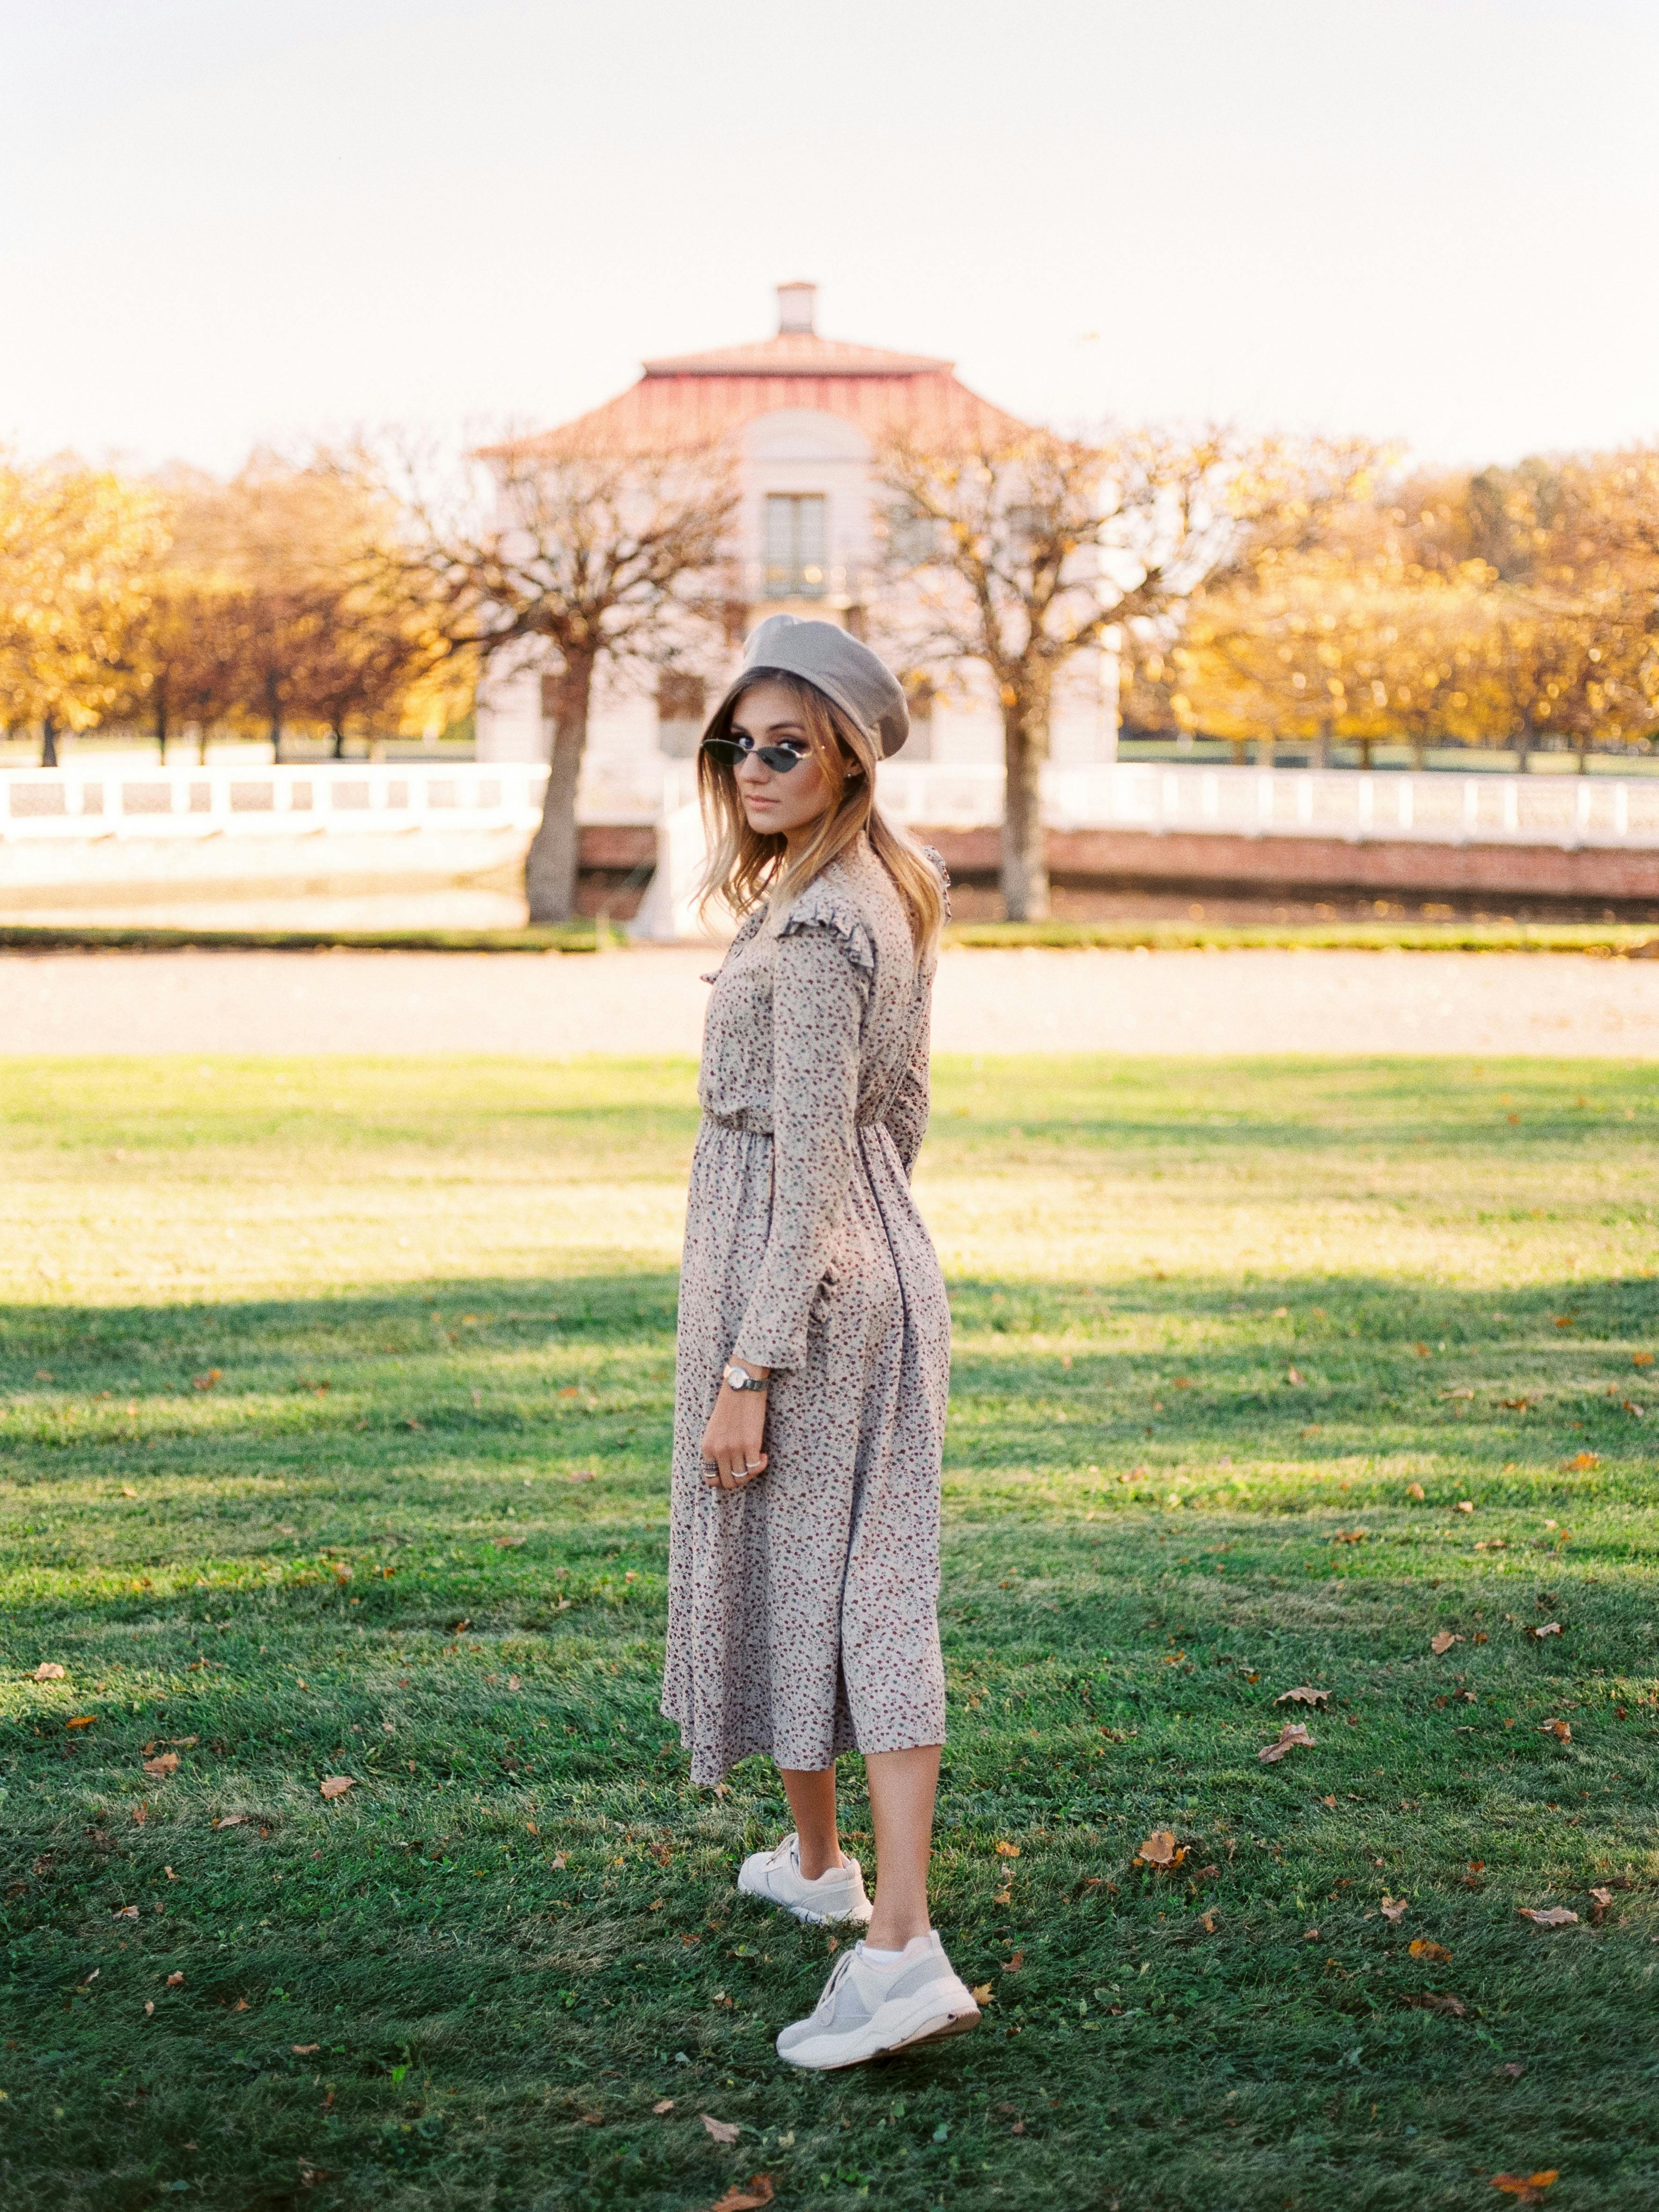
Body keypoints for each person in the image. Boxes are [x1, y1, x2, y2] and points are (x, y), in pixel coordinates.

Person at [661, 614, 980, 2071]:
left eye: (786, 745)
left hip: (809, 1286)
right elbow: (898, 1109)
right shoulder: (874, 889)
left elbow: (803, 1173)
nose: (754, 768)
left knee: (864, 1594)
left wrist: (751, 1366)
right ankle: (820, 1865)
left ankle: (902, 1948)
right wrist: (875, 1229)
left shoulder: (813, 925)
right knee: (827, 1576)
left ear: (848, 750)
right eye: (737, 744)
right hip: (874, 1260)